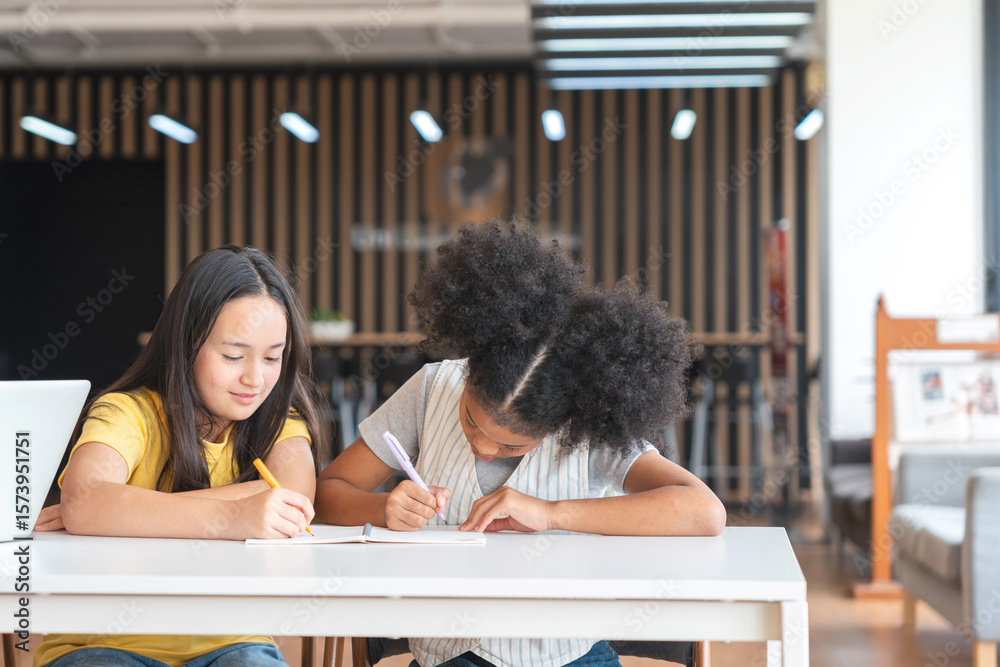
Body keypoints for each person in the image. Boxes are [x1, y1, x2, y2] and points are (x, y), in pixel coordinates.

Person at [315, 221, 726, 667]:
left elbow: (703, 511)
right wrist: (383, 509)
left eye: (512, 447)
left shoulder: (587, 423)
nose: (483, 449)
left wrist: (551, 514)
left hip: (570, 651)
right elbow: (327, 494)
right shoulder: (432, 389)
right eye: (472, 421)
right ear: (469, 368)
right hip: (450, 654)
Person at [34, 245, 324, 667]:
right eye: (233, 356)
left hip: (231, 643)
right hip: (101, 644)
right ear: (186, 342)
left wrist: (119, 509)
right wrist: (240, 512)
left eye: (272, 357)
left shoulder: (280, 420)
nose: (254, 378)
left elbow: (293, 499)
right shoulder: (127, 412)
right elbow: (85, 501)